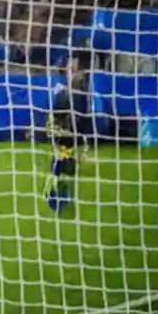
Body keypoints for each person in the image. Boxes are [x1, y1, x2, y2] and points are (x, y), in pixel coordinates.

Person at [45, 50, 92, 212]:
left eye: (74, 65)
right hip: (64, 133)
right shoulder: (65, 87)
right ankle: (56, 195)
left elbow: (79, 112)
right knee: (61, 162)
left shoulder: (80, 87)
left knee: (65, 162)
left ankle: (60, 197)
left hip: (71, 133)